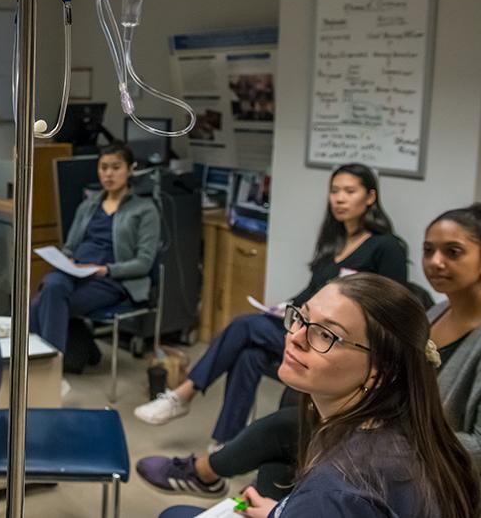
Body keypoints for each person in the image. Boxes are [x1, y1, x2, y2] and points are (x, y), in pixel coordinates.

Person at [138, 204, 481, 501]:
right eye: (428, 250)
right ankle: (233, 464)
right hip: (376, 406)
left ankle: (206, 460)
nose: (435, 262)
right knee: (257, 363)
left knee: (281, 398)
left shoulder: (386, 251)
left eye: (453, 252)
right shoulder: (436, 313)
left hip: (413, 445)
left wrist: (391, 428)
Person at [157, 274, 480, 518]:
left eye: (326, 334)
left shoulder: (337, 487)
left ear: (379, 371)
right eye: (301, 317)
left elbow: (332, 501)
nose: (295, 336)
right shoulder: (405, 432)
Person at [135, 164, 407, 445]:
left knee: (244, 325)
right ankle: (224, 444)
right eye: (334, 191)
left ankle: (183, 394)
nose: (339, 198)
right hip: (310, 333)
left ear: (370, 197)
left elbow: (394, 310)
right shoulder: (334, 242)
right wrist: (284, 307)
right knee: (248, 355)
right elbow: (312, 293)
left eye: (349, 191)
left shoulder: (386, 247)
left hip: (340, 344)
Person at [29, 141, 160, 356]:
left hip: (111, 279)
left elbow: (144, 263)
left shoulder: (145, 210)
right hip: (76, 272)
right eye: (103, 167)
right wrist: (66, 261)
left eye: (116, 168)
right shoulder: (88, 205)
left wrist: (106, 270)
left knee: (39, 304)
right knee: (52, 286)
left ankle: (48, 368)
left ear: (130, 170)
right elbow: (70, 247)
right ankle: (53, 365)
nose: (108, 174)